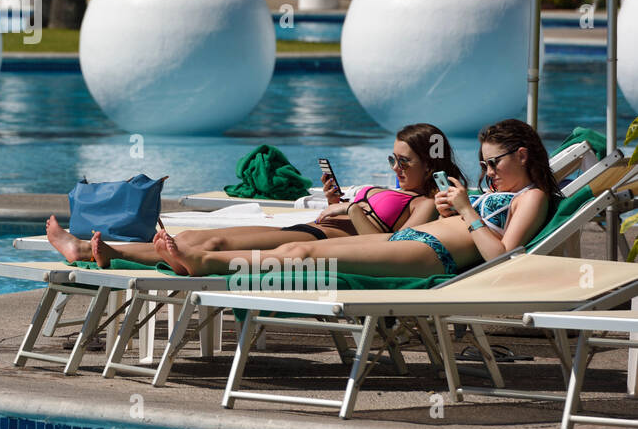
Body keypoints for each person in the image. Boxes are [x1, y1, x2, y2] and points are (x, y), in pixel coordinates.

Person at [151, 118, 558, 278]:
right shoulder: (500, 193)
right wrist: (458, 210)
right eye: (484, 164)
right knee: (293, 246)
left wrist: (468, 212)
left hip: (433, 253)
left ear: (522, 155)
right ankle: (198, 258)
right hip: (409, 241)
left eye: (494, 163)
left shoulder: (533, 197)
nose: (488, 173)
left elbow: (506, 256)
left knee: (308, 257)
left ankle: (206, 264)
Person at [47, 123, 464, 268]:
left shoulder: (425, 204)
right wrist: (338, 201)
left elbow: (393, 247)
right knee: (191, 237)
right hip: (311, 227)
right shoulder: (396, 191)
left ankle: (88, 250)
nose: (396, 168)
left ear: (431, 165)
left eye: (405, 162)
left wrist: (349, 208)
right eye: (393, 158)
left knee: (212, 243)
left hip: (325, 242)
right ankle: (103, 251)